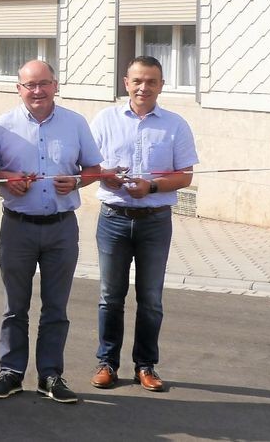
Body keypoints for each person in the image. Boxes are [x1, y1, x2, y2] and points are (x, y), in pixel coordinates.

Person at [0, 60, 103, 404]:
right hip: (17, 228)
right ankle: (11, 372)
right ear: (18, 89)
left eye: (44, 83)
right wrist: (8, 179)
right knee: (14, 307)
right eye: (30, 85)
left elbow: (94, 168)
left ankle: (50, 375)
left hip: (61, 228)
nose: (37, 91)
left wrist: (77, 181)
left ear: (55, 85)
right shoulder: (2, 126)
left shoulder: (75, 123)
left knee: (56, 308)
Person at [89, 55, 197, 393]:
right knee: (110, 296)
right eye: (137, 81)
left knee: (150, 299)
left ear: (161, 85)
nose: (143, 87)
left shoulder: (176, 125)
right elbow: (89, 167)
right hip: (114, 219)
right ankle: (107, 363)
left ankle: (145, 366)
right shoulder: (105, 120)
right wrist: (106, 177)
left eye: (151, 81)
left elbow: (185, 175)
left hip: (155, 221)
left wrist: (151, 187)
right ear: (126, 83)